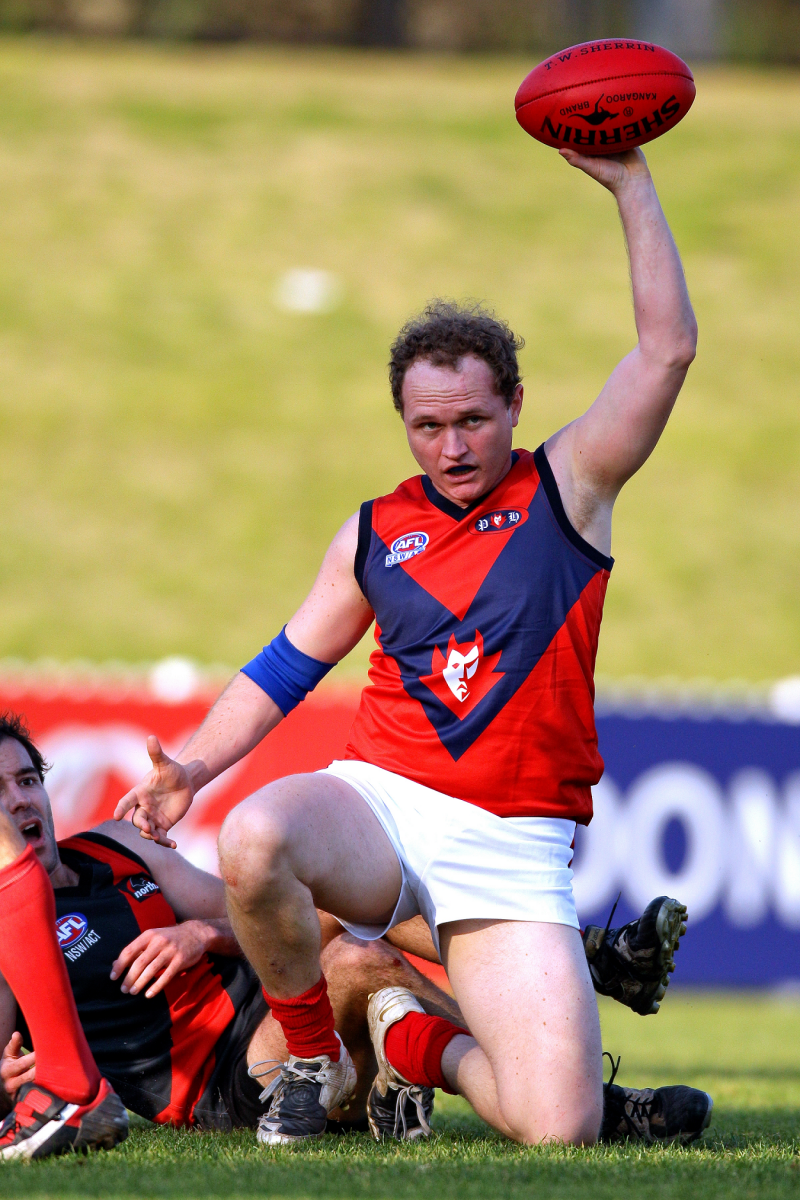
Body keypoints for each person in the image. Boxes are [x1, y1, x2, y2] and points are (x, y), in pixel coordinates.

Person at [117, 145, 699, 1147]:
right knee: (253, 837)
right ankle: (310, 1059)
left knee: (556, 1125)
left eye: (473, 419)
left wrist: (630, 184)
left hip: (512, 843)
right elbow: (285, 667)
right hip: (385, 807)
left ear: (515, 405)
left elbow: (665, 353)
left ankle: (405, 1037)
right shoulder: (374, 532)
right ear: (402, 422)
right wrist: (194, 770)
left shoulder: (571, 486)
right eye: (427, 427)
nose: (453, 446)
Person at [0, 715, 711, 1152]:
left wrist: (205, 938)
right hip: (229, 1079)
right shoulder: (9, 931)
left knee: (353, 886)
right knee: (361, 959)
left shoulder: (118, 848)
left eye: (26, 780)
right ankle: (586, 1051)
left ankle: (432, 1047)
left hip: (278, 1001)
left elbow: (252, 910)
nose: (18, 802)